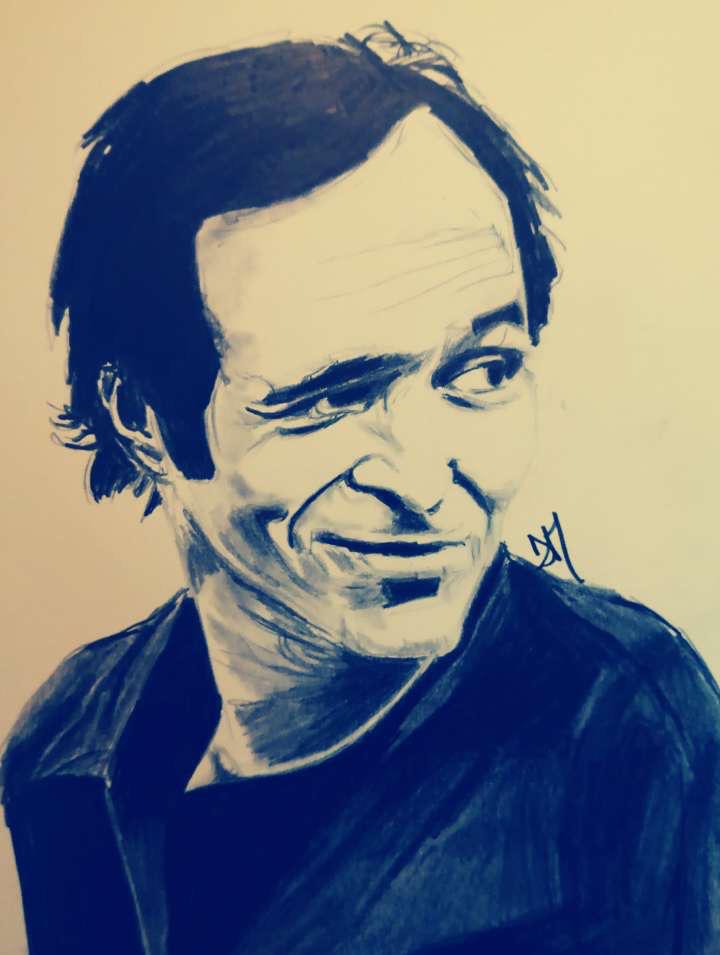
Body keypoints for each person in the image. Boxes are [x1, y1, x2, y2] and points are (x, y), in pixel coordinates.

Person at [2, 23, 719, 955]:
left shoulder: (627, 740)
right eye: (330, 398)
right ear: (143, 415)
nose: (423, 481)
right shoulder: (67, 745)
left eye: (484, 371)